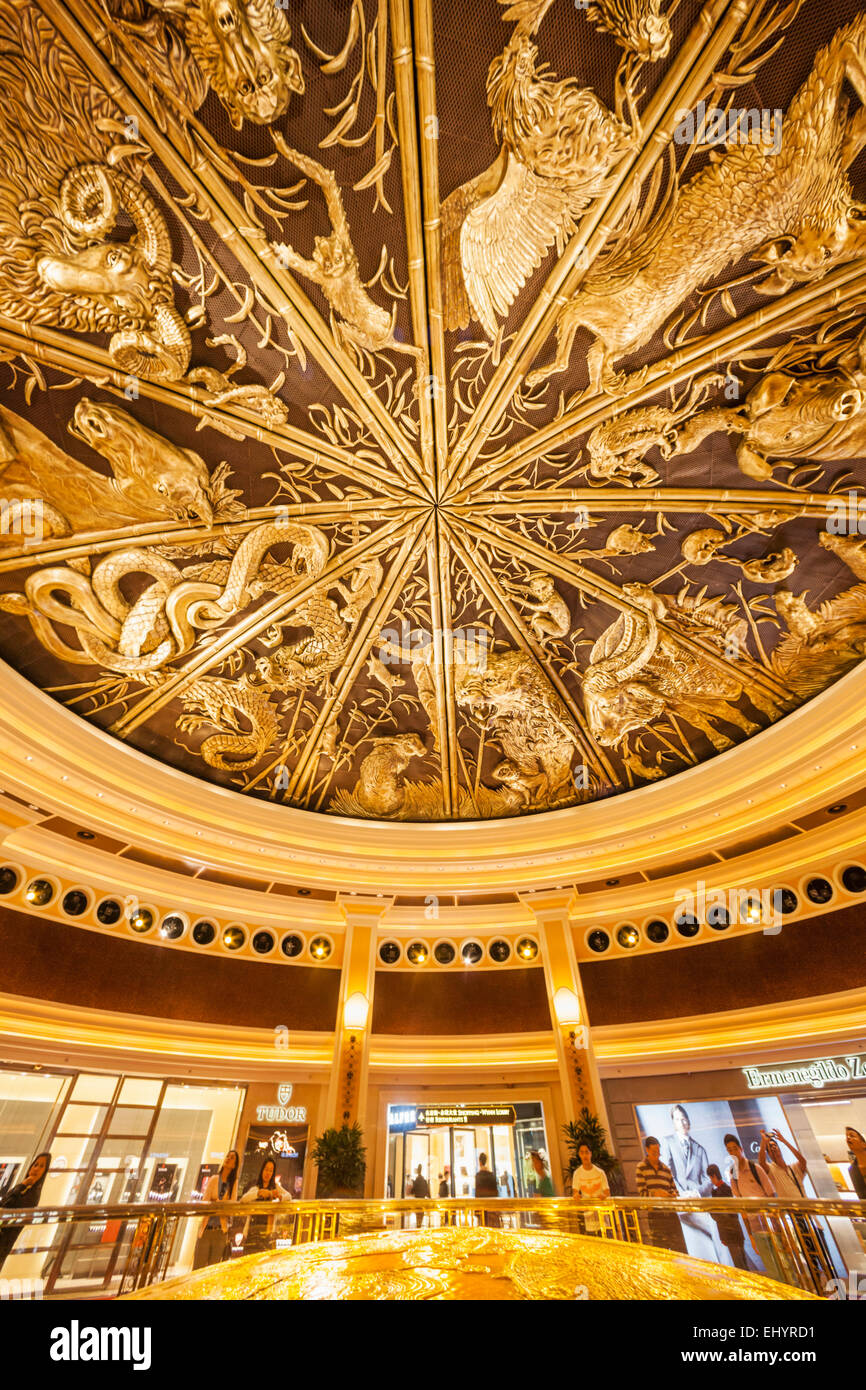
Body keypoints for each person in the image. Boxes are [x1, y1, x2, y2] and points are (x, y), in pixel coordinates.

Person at [661, 1104, 720, 1261]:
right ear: (673, 1122)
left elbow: (709, 1178)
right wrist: (681, 1193)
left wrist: (697, 1192)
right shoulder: (668, 1143)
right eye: (678, 1119)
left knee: (710, 1247)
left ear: (689, 1121)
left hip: (698, 1202)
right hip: (681, 1203)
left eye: (684, 1119)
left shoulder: (699, 1149)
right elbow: (667, 1172)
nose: (682, 1123)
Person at [0, 1152, 51, 1273]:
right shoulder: (24, 1187)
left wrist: (22, 1185)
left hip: (3, 1242)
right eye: (35, 1164)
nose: (36, 1168)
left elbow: (7, 1206)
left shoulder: (32, 1194)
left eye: (41, 1166)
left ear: (45, 1171)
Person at [635, 1136, 687, 1253]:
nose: (657, 1156)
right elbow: (642, 1194)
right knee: (661, 1252)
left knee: (680, 1251)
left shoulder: (666, 1169)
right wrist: (656, 1194)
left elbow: (675, 1191)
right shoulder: (641, 1168)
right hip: (655, 1216)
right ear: (647, 1150)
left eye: (658, 1153)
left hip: (671, 1215)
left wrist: (673, 1194)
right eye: (654, 1153)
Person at [194, 1149, 239, 1270]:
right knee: (198, 1267)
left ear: (235, 1165)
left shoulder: (233, 1183)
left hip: (221, 1231)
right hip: (206, 1229)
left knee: (213, 1269)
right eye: (227, 1156)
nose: (228, 1158)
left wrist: (216, 1202)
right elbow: (205, 1203)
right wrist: (221, 1205)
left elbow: (231, 1209)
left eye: (232, 1158)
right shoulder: (214, 1179)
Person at [240, 1157, 291, 1253]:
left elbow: (289, 1196)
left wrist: (280, 1197)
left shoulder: (275, 1187)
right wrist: (259, 1193)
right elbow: (243, 1199)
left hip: (268, 1233)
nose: (268, 1173)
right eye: (266, 1169)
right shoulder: (256, 1187)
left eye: (271, 1171)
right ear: (262, 1170)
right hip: (252, 1232)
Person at [706, 1163, 748, 1270]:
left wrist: (710, 1209)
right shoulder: (728, 1189)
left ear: (713, 1176)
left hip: (729, 1232)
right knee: (743, 1262)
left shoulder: (718, 1192)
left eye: (710, 1178)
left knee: (739, 1264)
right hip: (736, 1229)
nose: (710, 1180)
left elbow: (720, 1216)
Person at [571, 1141, 610, 1235]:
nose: (585, 1155)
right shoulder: (577, 1173)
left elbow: (607, 1192)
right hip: (589, 1219)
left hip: (602, 1218)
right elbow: (575, 1192)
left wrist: (603, 1196)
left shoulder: (599, 1172)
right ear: (579, 1154)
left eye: (587, 1152)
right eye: (582, 1152)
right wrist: (577, 1196)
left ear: (590, 1153)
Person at [758, 1128, 808, 1198]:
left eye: (775, 1145)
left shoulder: (794, 1168)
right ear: (769, 1153)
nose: (774, 1147)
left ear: (780, 1149)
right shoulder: (771, 1170)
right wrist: (763, 1142)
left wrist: (784, 1141)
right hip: (788, 1208)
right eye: (770, 1146)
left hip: (803, 1206)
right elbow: (761, 1162)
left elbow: (803, 1161)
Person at [475, 1152, 501, 1227]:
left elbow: (478, 1193)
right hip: (491, 1206)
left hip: (482, 1207)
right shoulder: (491, 1175)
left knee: (483, 1226)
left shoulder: (478, 1176)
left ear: (479, 1162)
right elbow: (495, 1191)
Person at [845, 1127, 866, 1198]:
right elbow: (862, 1196)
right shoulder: (852, 1170)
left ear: (864, 1144)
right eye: (847, 1136)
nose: (848, 1138)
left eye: (852, 1135)